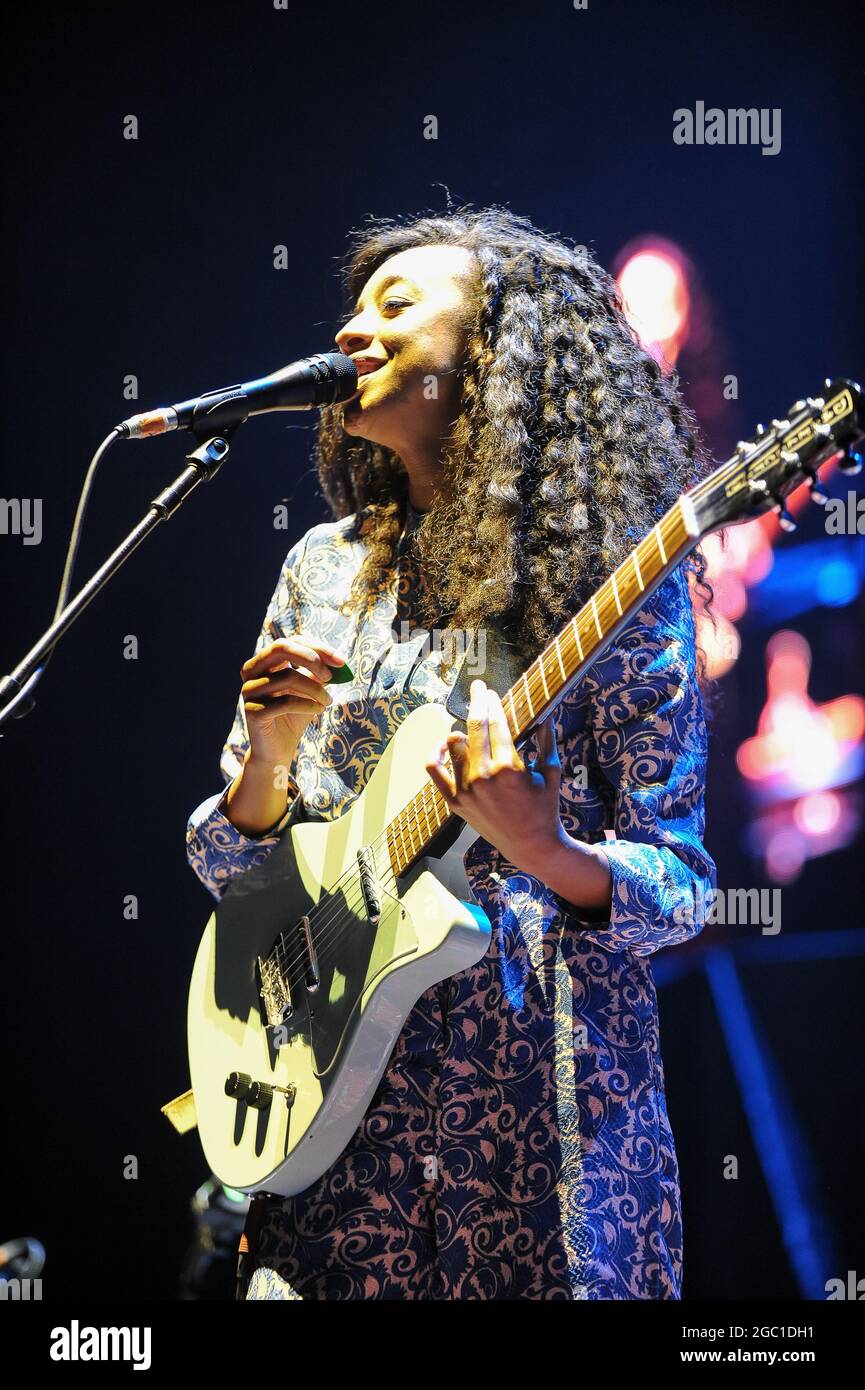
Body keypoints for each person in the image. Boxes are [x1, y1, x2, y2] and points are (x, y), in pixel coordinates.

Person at [185, 204, 717, 1300]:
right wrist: (264, 767)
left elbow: (681, 882)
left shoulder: (614, 580)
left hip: (538, 1136)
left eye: (396, 305)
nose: (350, 332)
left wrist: (544, 847)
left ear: (493, 352)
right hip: (337, 1141)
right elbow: (237, 876)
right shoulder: (321, 573)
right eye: (351, 309)